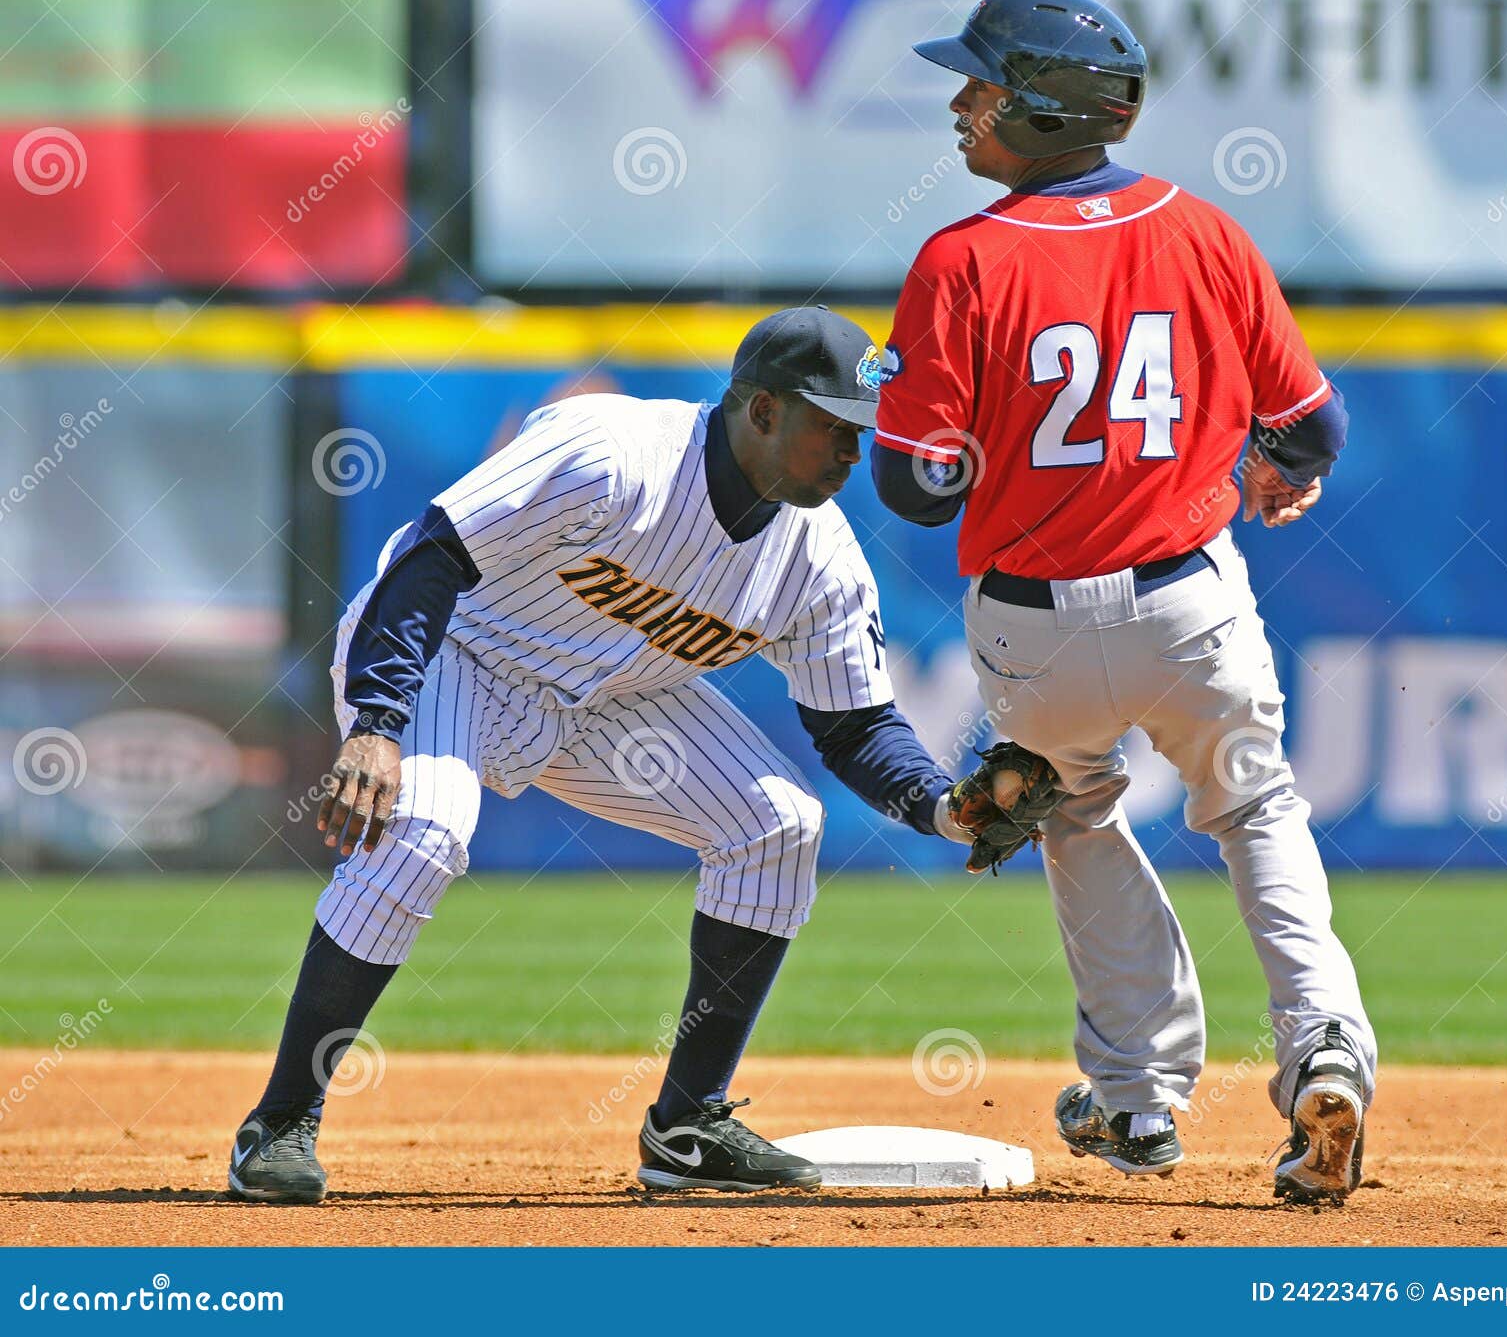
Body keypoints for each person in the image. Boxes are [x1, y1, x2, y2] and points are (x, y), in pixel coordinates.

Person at [227, 306, 975, 1201]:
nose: (855, 452)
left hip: (605, 699)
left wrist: (946, 807)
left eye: (863, 430)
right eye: (836, 426)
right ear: (763, 410)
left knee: (779, 825)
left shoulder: (820, 560)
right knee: (423, 833)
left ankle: (687, 1126)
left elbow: (854, 726)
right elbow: (433, 553)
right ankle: (279, 1121)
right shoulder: (613, 453)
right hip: (457, 650)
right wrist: (379, 722)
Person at [872, 0, 1376, 1202]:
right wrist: (1268, 468)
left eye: (982, 83)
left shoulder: (960, 259)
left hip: (1032, 623)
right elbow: (1312, 428)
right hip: (1189, 601)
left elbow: (913, 488)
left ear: (1041, 109)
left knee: (1074, 810)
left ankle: (1138, 1098)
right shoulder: (1204, 232)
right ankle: (1323, 1049)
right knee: (1255, 808)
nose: (960, 101)